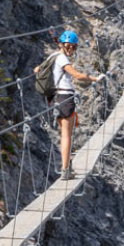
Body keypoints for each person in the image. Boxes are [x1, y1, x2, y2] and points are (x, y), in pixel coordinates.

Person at [38, 29, 102, 180]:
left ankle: (67, 166)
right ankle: (65, 170)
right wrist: (95, 79)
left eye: (74, 47)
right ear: (63, 45)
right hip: (65, 97)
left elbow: (37, 70)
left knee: (65, 132)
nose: (71, 49)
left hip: (54, 98)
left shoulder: (53, 56)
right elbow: (77, 75)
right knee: (66, 135)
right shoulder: (62, 59)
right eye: (69, 46)